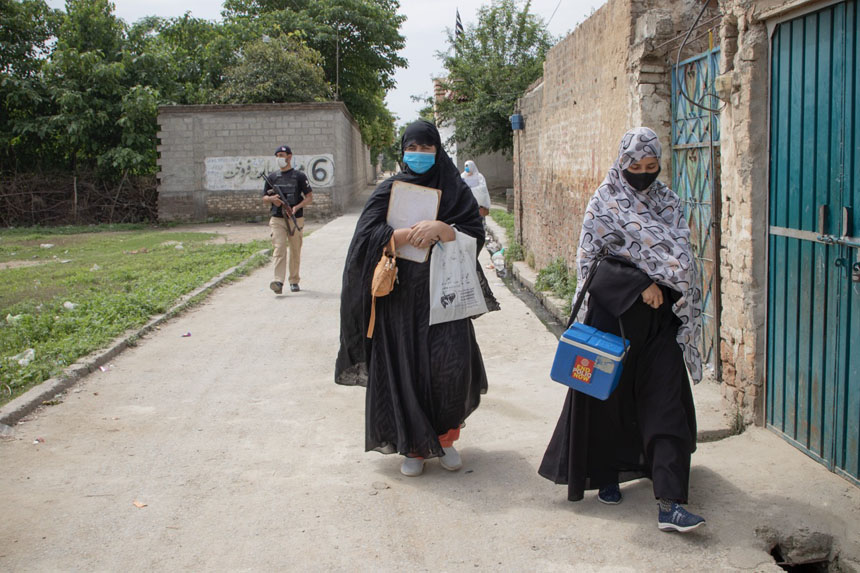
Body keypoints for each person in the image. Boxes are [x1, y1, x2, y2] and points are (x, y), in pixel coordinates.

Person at [538, 127, 706, 533]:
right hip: (611, 320)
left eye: (651, 166)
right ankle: (606, 475)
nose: (643, 174)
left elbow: (682, 258)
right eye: (636, 166)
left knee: (666, 404)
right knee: (606, 404)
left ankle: (671, 502)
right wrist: (639, 283)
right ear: (622, 163)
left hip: (658, 323)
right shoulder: (605, 200)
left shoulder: (668, 202)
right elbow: (591, 263)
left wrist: (665, 287)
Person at [335, 120, 490, 477]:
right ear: (403, 151)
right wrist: (402, 235)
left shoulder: (454, 190)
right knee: (406, 370)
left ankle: (446, 440)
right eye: (412, 148)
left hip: (445, 299)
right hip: (400, 301)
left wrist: (444, 230)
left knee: (448, 370)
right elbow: (364, 240)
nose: (419, 154)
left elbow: (475, 233)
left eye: (426, 148)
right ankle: (414, 448)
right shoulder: (389, 190)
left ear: (438, 150)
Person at [262, 145, 313, 294]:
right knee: (279, 248)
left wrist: (297, 207)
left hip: (295, 218)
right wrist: (272, 199)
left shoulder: (300, 176)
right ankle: (278, 281)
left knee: (295, 250)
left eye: (281, 155)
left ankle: (294, 280)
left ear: (289, 157)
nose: (279, 158)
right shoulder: (272, 177)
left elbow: (309, 197)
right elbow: (264, 197)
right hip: (277, 218)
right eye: (277, 155)